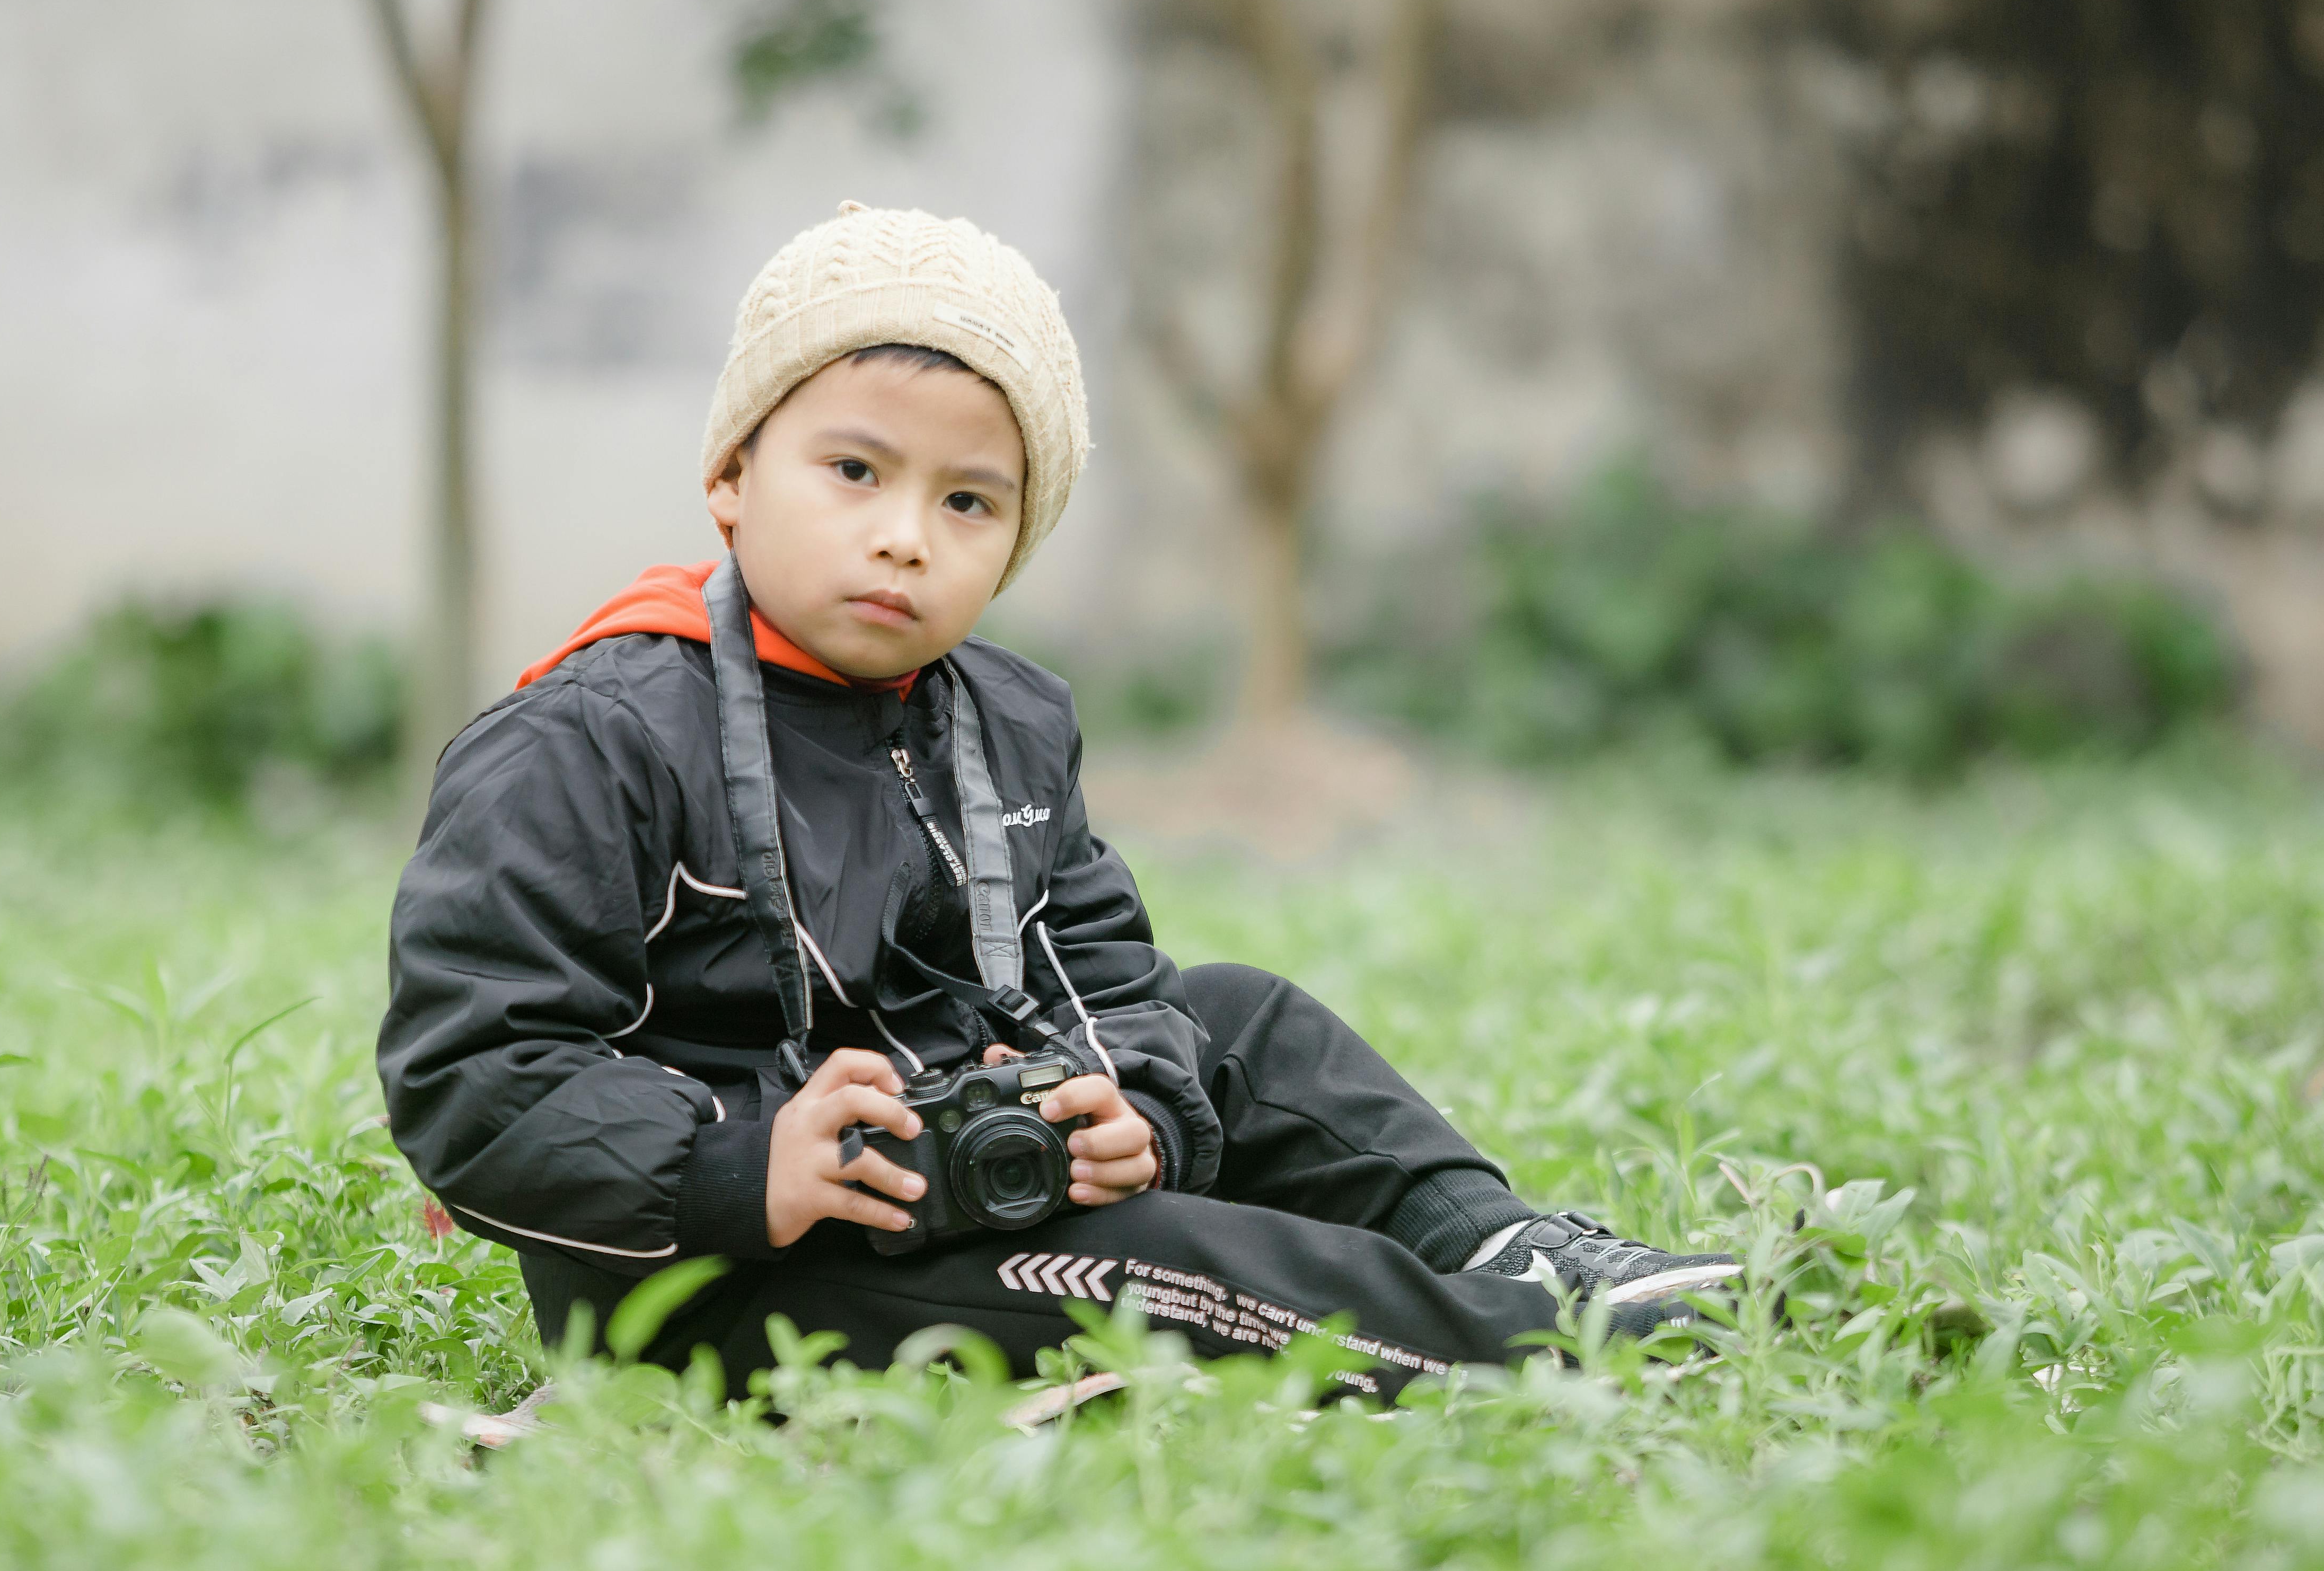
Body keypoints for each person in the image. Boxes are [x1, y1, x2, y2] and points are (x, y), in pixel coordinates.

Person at [377, 202, 1740, 1399]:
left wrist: (1126, 1101)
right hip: (718, 1278)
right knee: (1139, 1263)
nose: (905, 533)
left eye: (969, 502)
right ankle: (1549, 1346)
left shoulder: (1011, 722)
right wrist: (751, 1165)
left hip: (955, 1178)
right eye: (854, 472)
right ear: (732, 476)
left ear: (1015, 546)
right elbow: (474, 1076)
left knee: (1241, 1016)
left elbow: (1105, 976)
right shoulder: (590, 740)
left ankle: (1506, 1242)